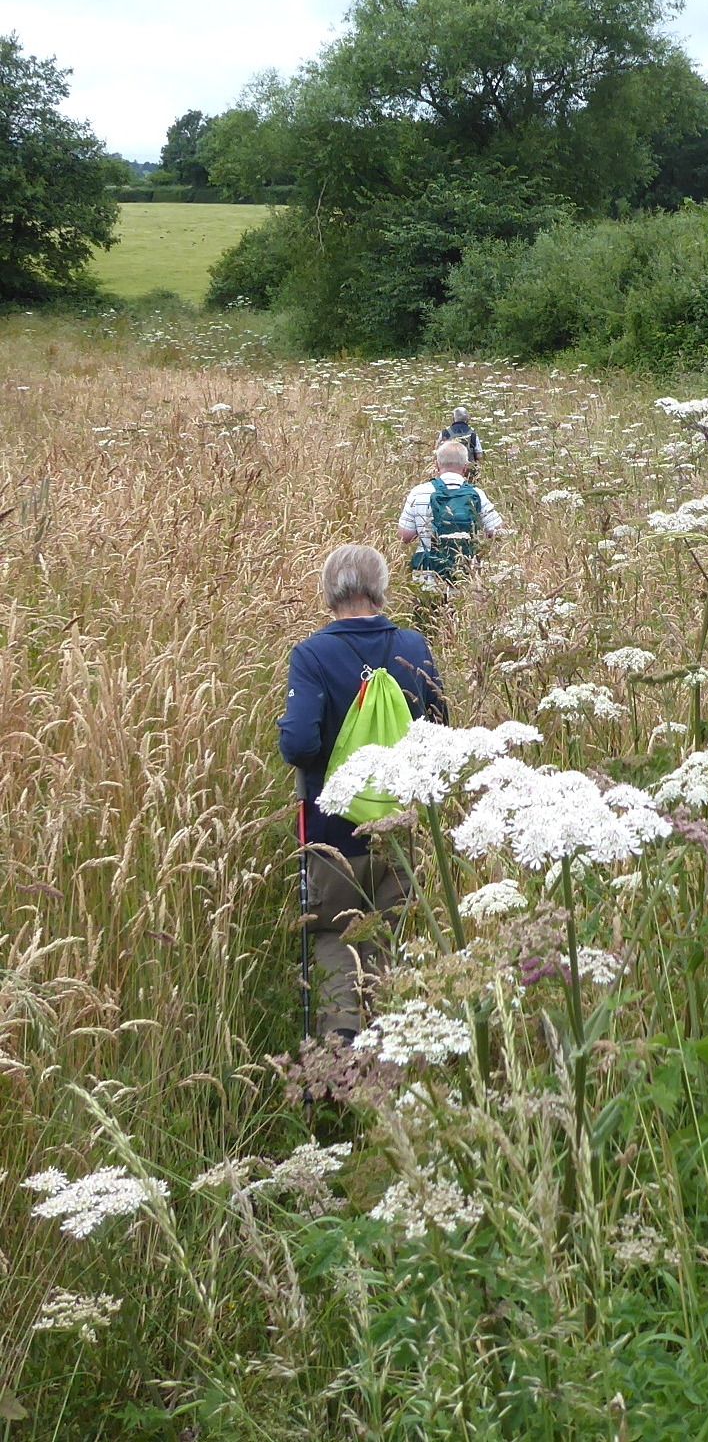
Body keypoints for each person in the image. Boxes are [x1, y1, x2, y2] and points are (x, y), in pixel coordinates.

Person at [278, 544, 448, 1040]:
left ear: (329, 592)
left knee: (334, 934)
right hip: (400, 828)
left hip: (332, 834)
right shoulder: (414, 648)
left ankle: (342, 1052)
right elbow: (439, 728)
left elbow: (301, 742)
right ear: (381, 589)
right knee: (387, 936)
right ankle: (389, 1047)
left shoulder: (312, 655)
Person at [399, 438, 505, 584]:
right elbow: (497, 533)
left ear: (437, 464)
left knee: (426, 605)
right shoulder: (477, 494)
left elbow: (406, 536)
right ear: (466, 467)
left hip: (427, 574)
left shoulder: (418, 492)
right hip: (466, 573)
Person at [437, 406, 483, 475]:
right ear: (467, 419)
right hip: (468, 472)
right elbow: (479, 455)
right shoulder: (473, 433)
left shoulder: (445, 432)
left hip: (447, 471)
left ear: (454, 418)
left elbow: (438, 452)